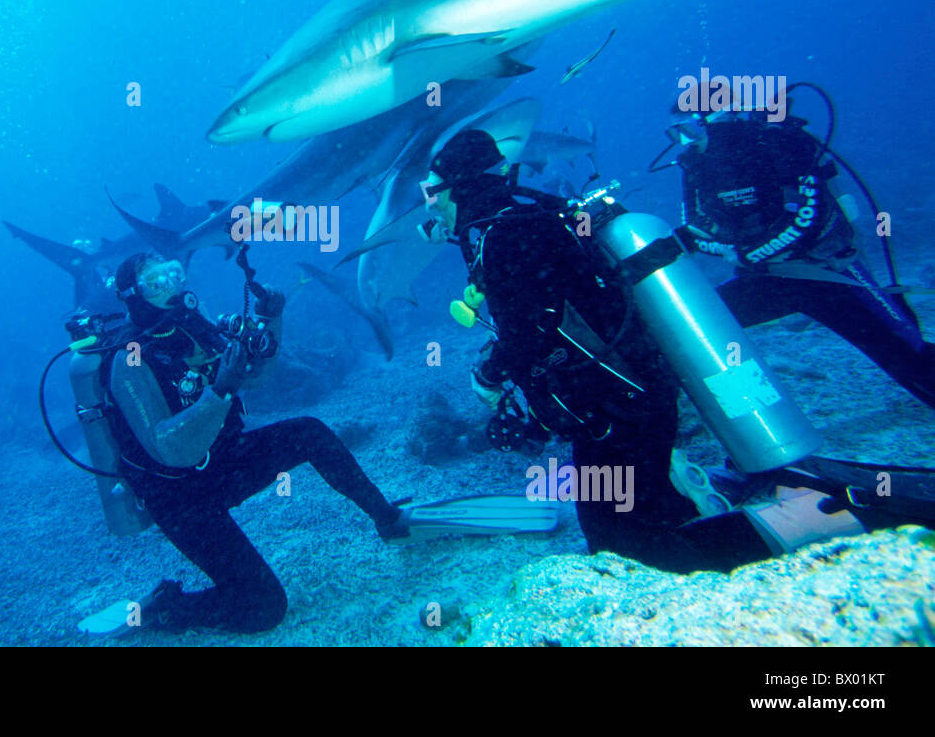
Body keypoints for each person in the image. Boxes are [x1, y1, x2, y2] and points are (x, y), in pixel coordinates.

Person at [419, 129, 928, 574]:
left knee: (628, 549)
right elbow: (562, 322)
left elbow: (536, 331)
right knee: (651, 513)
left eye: (431, 191)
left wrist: (488, 375)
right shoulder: (530, 218)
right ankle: (735, 502)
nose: (428, 205)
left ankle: (836, 513)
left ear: (457, 186)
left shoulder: (506, 236)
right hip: (634, 397)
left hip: (618, 412)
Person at [97, 251, 404, 634]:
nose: (172, 289)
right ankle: (168, 608)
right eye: (156, 284)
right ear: (132, 295)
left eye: (173, 275)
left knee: (309, 433)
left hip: (222, 460)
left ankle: (387, 517)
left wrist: (271, 318)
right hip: (177, 496)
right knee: (264, 607)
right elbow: (170, 449)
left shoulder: (191, 323)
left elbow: (256, 377)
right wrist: (220, 390)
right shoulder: (127, 360)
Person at [661, 82, 935, 410]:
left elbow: (808, 219)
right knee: (689, 334)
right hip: (765, 278)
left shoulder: (780, 144)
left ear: (717, 120)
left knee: (907, 354)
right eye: (678, 132)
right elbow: (695, 225)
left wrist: (747, 253)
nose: (686, 142)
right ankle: (751, 429)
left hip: (826, 274)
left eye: (689, 128)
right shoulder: (696, 166)